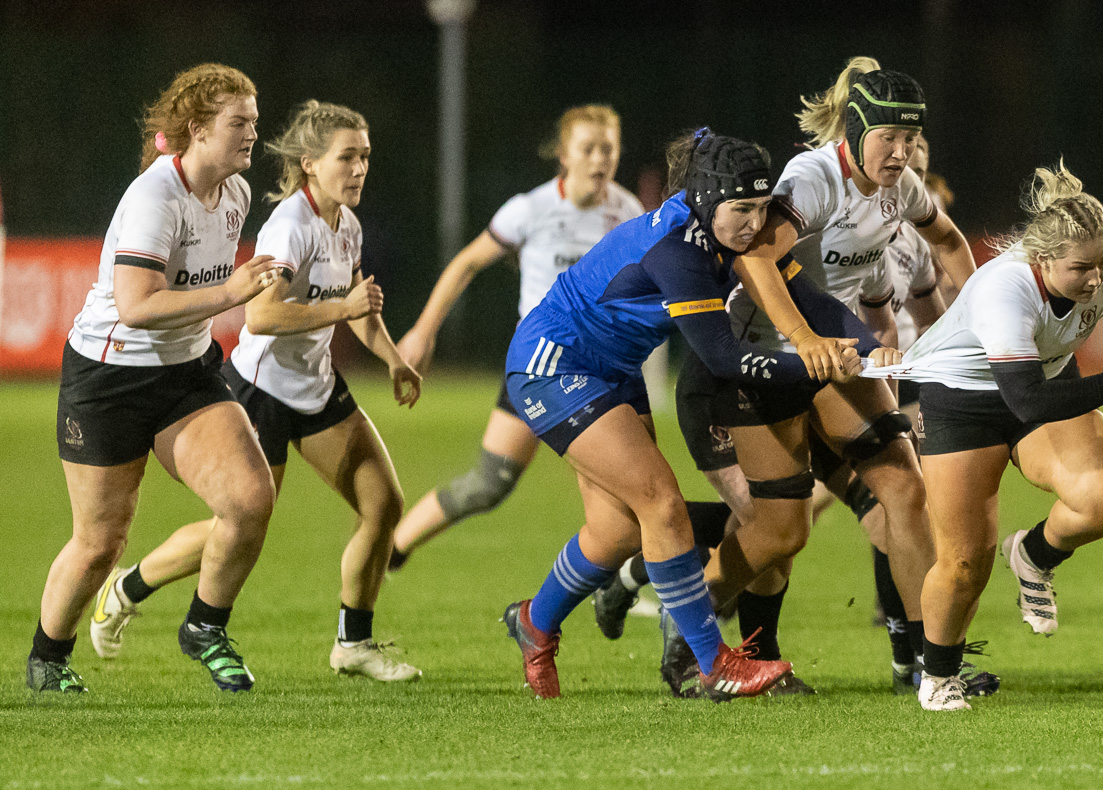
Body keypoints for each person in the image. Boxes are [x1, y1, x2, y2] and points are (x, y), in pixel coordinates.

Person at [499, 129, 889, 700]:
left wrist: (874, 349)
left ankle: (534, 623)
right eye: (743, 209)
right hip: (555, 364)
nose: (756, 224)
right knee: (661, 503)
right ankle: (714, 664)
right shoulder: (678, 252)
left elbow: (808, 299)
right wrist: (815, 365)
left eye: (763, 207)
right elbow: (723, 358)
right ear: (706, 200)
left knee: (618, 530)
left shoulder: (725, 229)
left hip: (614, 369)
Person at [89, 101, 424, 682]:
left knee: (384, 506)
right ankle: (128, 586)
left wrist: (394, 359)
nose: (360, 168)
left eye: (365, 157)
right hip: (259, 390)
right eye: (347, 157)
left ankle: (354, 644)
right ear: (309, 163)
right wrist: (341, 309)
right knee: (241, 522)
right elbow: (262, 316)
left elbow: (358, 307)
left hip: (314, 386)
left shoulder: (346, 224)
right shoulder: (291, 226)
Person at [691, 57, 979, 692]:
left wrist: (983, 316)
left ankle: (930, 665)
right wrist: (804, 340)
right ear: (855, 131)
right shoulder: (813, 177)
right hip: (762, 360)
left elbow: (949, 242)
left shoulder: (902, 189)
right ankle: (688, 629)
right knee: (779, 529)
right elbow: (754, 261)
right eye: (888, 137)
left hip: (837, 361)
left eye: (910, 139)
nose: (900, 153)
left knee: (905, 490)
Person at [865, 164, 1103, 710]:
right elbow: (1027, 401)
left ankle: (1033, 555)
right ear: (1043, 259)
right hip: (963, 401)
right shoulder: (1005, 290)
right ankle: (938, 677)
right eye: (1080, 269)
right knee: (965, 562)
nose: (1096, 279)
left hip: (1041, 381)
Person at [30, 64, 277, 693]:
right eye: (239, 122)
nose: (253, 133)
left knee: (249, 499)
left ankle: (205, 627)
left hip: (184, 373)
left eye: (254, 120)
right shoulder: (154, 197)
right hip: (108, 378)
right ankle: (47, 660)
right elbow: (137, 305)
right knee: (100, 542)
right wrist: (231, 293)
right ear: (198, 129)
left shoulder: (235, 192)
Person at [387, 105, 644, 570]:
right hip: (540, 363)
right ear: (564, 154)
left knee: (619, 491)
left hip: (602, 365)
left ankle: (620, 584)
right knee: (491, 483)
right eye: (588, 148)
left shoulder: (627, 212)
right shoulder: (531, 209)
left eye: (608, 148)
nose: (599, 159)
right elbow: (466, 263)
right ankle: (391, 549)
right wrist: (423, 332)